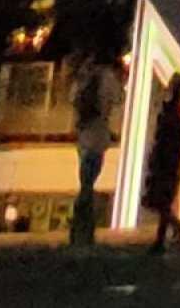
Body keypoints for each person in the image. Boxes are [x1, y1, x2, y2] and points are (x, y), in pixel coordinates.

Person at [143, 72, 180, 254]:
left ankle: (161, 238)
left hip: (167, 161)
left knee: (162, 201)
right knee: (159, 201)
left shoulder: (172, 112)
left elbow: (169, 138)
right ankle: (172, 227)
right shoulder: (172, 110)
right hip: (165, 160)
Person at [69, 65, 116, 254]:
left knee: (85, 181)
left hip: (84, 137)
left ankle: (80, 225)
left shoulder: (83, 78)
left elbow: (72, 99)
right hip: (98, 137)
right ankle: (83, 223)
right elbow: (117, 98)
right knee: (88, 183)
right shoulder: (106, 77)